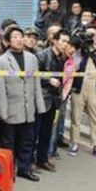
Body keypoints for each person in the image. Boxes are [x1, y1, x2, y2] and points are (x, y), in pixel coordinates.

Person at [0, 26, 46, 181]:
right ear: (7, 41)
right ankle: (8, 172)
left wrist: (39, 106)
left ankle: (24, 168)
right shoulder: (0, 62)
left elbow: (36, 83)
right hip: (11, 109)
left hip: (28, 108)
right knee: (8, 143)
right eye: (14, 37)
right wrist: (2, 112)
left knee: (27, 141)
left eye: (20, 36)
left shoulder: (32, 58)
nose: (18, 39)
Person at [34, 29, 68, 172]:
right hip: (42, 98)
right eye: (63, 41)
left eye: (67, 42)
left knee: (47, 132)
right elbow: (34, 75)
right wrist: (49, 80)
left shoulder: (62, 58)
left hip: (54, 100)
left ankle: (42, 159)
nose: (65, 44)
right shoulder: (42, 55)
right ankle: (30, 161)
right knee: (34, 132)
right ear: (54, 41)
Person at [66, 34, 96, 157]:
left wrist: (95, 48)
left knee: (95, 117)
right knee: (75, 117)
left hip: (94, 89)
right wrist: (80, 51)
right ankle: (74, 142)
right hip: (78, 88)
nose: (88, 43)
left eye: (92, 37)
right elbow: (73, 66)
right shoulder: (77, 54)